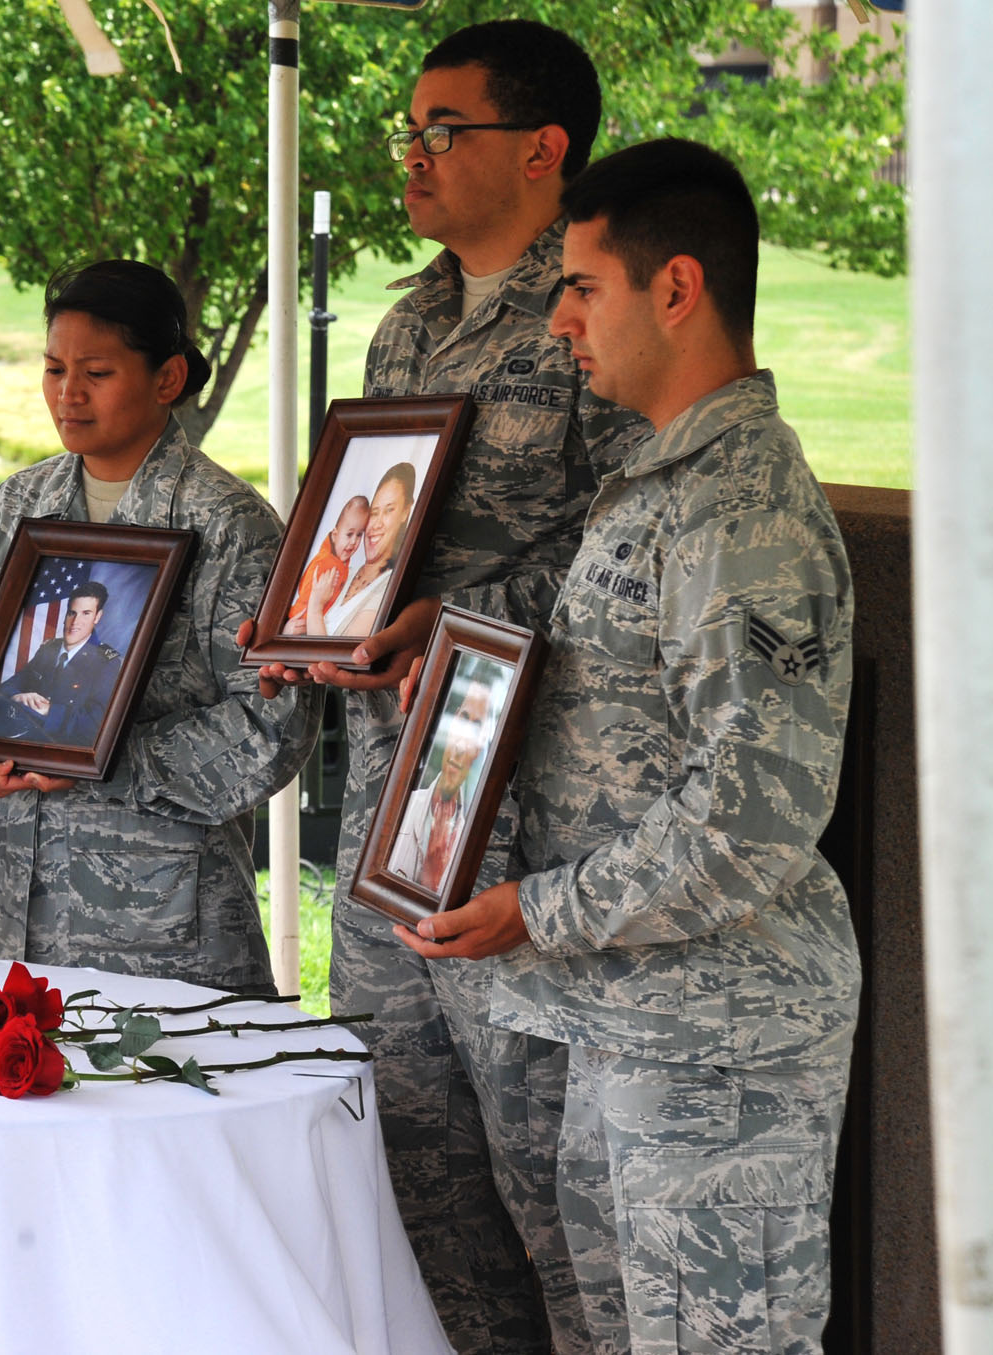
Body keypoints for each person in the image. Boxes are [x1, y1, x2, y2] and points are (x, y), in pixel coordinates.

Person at [402, 138, 857, 1355]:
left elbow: (750, 816)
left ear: (677, 289)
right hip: (624, 1017)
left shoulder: (740, 506)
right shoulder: (656, 481)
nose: (557, 324)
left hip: (723, 1046)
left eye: (583, 287)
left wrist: (537, 909)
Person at [241, 20, 649, 1355]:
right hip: (392, 815)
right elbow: (369, 536)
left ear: (542, 151)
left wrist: (453, 621)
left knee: (551, 1188)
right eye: (406, 129)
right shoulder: (410, 318)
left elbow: (631, 567)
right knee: (412, 1166)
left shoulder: (599, 311)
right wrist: (316, 618)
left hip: (531, 821)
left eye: (442, 130)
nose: (411, 155)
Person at [0, 259, 315, 992]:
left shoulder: (231, 528)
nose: (68, 393)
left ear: (167, 378)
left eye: (97, 372)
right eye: (53, 368)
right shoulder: (14, 511)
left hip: (158, 946)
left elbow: (273, 726)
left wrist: (105, 759)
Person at [0, 580, 123, 746]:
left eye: (86, 613)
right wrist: (19, 696)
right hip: (19, 737)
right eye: (72, 613)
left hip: (62, 751)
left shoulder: (106, 662)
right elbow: (6, 687)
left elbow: (94, 725)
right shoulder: (49, 649)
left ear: (97, 617)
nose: (75, 621)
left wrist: (49, 711)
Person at [387, 679, 494, 892]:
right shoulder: (405, 803)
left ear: (483, 745)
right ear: (452, 721)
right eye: (463, 719)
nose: (461, 746)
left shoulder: (476, 832)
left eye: (475, 728)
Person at [322, 462, 416, 636]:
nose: (377, 524)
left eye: (389, 510)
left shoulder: (389, 587)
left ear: (405, 512)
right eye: (374, 512)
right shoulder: (343, 572)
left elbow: (343, 654)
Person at [285, 495, 367, 635]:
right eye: (349, 534)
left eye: (359, 535)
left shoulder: (341, 562)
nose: (354, 541)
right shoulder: (324, 564)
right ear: (335, 535)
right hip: (302, 624)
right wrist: (289, 628)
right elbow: (305, 596)